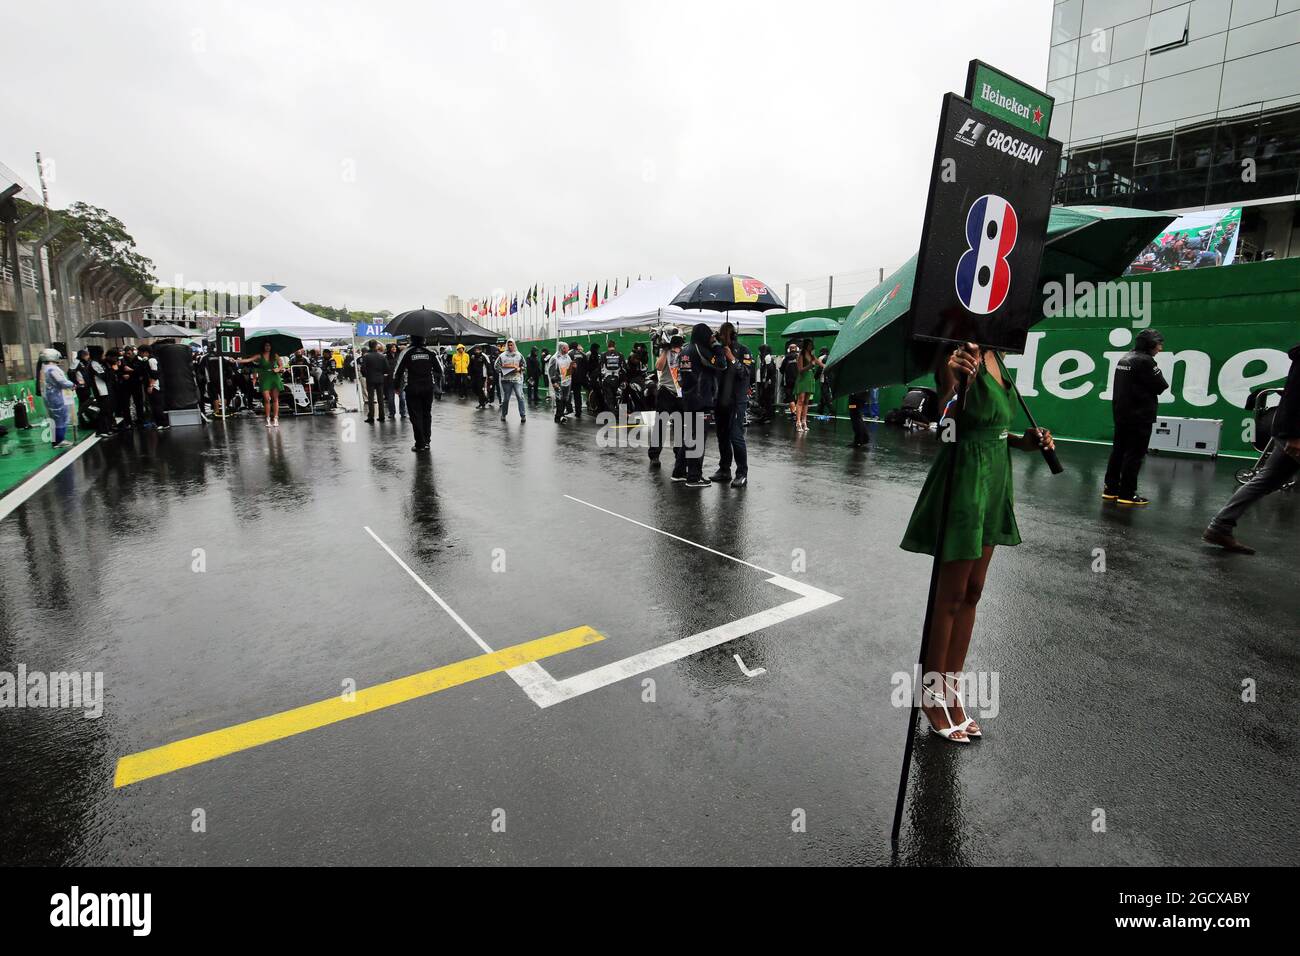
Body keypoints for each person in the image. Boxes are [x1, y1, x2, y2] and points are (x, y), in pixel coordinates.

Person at [900, 343, 1054, 744]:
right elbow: (945, 427)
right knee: (948, 597)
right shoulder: (956, 357)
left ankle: (951, 690)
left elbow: (997, 430)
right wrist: (957, 382)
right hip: (964, 479)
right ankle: (931, 694)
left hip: (996, 479)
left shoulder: (998, 358)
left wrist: (1027, 441)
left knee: (972, 592)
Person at [1203, 342, 1299, 554]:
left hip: (1290, 430)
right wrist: (1292, 434)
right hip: (1294, 432)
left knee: (1266, 480)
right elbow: (1294, 394)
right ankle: (1220, 527)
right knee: (1265, 480)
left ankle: (1220, 527)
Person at [1103, 328, 1168, 506]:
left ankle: (1111, 489)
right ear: (1150, 344)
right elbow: (1162, 386)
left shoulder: (1125, 357)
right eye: (1158, 344)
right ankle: (1127, 493)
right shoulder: (1146, 361)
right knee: (1135, 455)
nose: (1160, 348)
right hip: (1140, 416)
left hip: (1121, 413)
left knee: (1118, 451)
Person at [676, 323, 721, 487]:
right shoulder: (701, 350)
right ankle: (694, 477)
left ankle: (679, 471)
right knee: (698, 439)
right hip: (701, 400)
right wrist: (716, 346)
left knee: (690, 436)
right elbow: (721, 363)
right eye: (710, 335)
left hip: (689, 398)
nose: (711, 337)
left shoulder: (685, 350)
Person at [710, 321, 752, 487]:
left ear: (733, 335)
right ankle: (724, 470)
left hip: (737, 402)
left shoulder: (744, 351)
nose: (724, 337)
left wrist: (733, 359)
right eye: (721, 334)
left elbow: (746, 374)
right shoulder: (717, 352)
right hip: (720, 402)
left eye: (726, 334)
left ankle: (742, 473)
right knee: (722, 437)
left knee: (736, 436)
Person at [647, 328, 685, 474]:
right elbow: (658, 366)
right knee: (661, 424)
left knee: (680, 425)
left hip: (680, 393)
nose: (677, 343)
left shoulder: (684, 353)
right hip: (666, 391)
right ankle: (654, 455)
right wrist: (665, 349)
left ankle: (679, 453)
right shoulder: (666, 352)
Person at [392, 335, 438, 452]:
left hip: (412, 388)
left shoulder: (406, 352)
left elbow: (398, 371)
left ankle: (420, 443)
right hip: (428, 388)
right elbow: (440, 370)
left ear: (411, 340)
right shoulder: (431, 352)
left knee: (415, 415)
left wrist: (396, 386)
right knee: (426, 414)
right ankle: (427, 442)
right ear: (423, 340)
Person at [238, 340, 285, 426]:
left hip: (274, 377)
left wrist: (278, 369)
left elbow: (281, 365)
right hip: (264, 377)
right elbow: (249, 360)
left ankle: (275, 418)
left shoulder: (274, 355)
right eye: (266, 345)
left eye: (269, 346)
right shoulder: (260, 355)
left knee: (275, 399)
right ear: (263, 347)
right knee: (266, 399)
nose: (267, 347)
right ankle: (267, 419)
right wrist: (236, 361)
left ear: (271, 347)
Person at [40, 349, 75, 448]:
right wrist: (72, 384)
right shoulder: (53, 369)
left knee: (56, 419)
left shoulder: (45, 368)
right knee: (61, 419)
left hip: (51, 396)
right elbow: (62, 381)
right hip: (57, 397)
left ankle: (56, 440)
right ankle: (59, 441)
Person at [138, 344, 169, 430]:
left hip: (155, 386)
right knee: (155, 405)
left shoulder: (151, 360)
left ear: (145, 352)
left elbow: (155, 374)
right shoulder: (148, 360)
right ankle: (159, 422)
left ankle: (163, 423)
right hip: (153, 385)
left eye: (140, 352)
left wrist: (151, 385)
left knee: (157, 405)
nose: (139, 354)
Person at [496, 339, 527, 422]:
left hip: (517, 379)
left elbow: (524, 366)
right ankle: (503, 414)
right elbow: (496, 366)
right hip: (506, 380)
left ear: (514, 345)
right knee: (506, 398)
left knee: (520, 396)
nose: (510, 346)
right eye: (509, 345)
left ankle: (523, 415)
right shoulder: (502, 356)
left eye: (511, 345)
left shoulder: (519, 355)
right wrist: (503, 370)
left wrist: (520, 368)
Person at [359, 340, 389, 423]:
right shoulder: (382, 356)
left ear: (369, 346)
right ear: (376, 346)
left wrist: (366, 375)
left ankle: (371, 416)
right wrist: (381, 374)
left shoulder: (366, 356)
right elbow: (386, 368)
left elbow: (363, 368)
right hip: (380, 379)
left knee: (371, 399)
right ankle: (382, 416)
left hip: (370, 379)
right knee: (380, 399)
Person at [794, 338, 820, 433]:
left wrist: (826, 366)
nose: (811, 346)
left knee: (806, 401)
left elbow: (819, 363)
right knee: (800, 400)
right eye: (809, 344)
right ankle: (798, 422)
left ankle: (804, 421)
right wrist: (810, 366)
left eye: (811, 344)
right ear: (805, 345)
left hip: (810, 378)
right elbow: (800, 369)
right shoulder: (801, 354)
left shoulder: (812, 355)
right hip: (802, 378)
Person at [548, 341, 573, 423]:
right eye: (567, 347)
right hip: (559, 382)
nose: (568, 349)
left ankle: (560, 415)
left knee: (565, 399)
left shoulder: (567, 357)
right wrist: (554, 382)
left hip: (567, 382)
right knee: (559, 400)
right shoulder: (555, 358)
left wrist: (573, 368)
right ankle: (559, 417)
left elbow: (569, 369)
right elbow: (551, 371)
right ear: (562, 348)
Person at [754, 343, 777, 423]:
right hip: (768, 381)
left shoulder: (767, 358)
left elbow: (770, 370)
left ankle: (767, 417)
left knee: (768, 399)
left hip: (769, 382)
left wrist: (767, 381)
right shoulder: (766, 358)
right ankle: (765, 415)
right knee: (765, 399)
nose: (759, 353)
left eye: (760, 351)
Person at [780, 341, 800, 419]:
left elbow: (781, 370)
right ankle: (799, 414)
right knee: (799, 397)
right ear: (797, 349)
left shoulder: (785, 358)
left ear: (789, 349)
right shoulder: (800, 357)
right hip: (799, 380)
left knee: (790, 397)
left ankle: (793, 413)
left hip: (788, 381)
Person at [569, 344, 587, 418]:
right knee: (577, 395)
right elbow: (586, 366)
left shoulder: (569, 354)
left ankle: (569, 408)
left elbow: (567, 366)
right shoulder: (583, 354)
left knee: (567, 394)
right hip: (580, 378)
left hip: (571, 378)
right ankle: (578, 412)